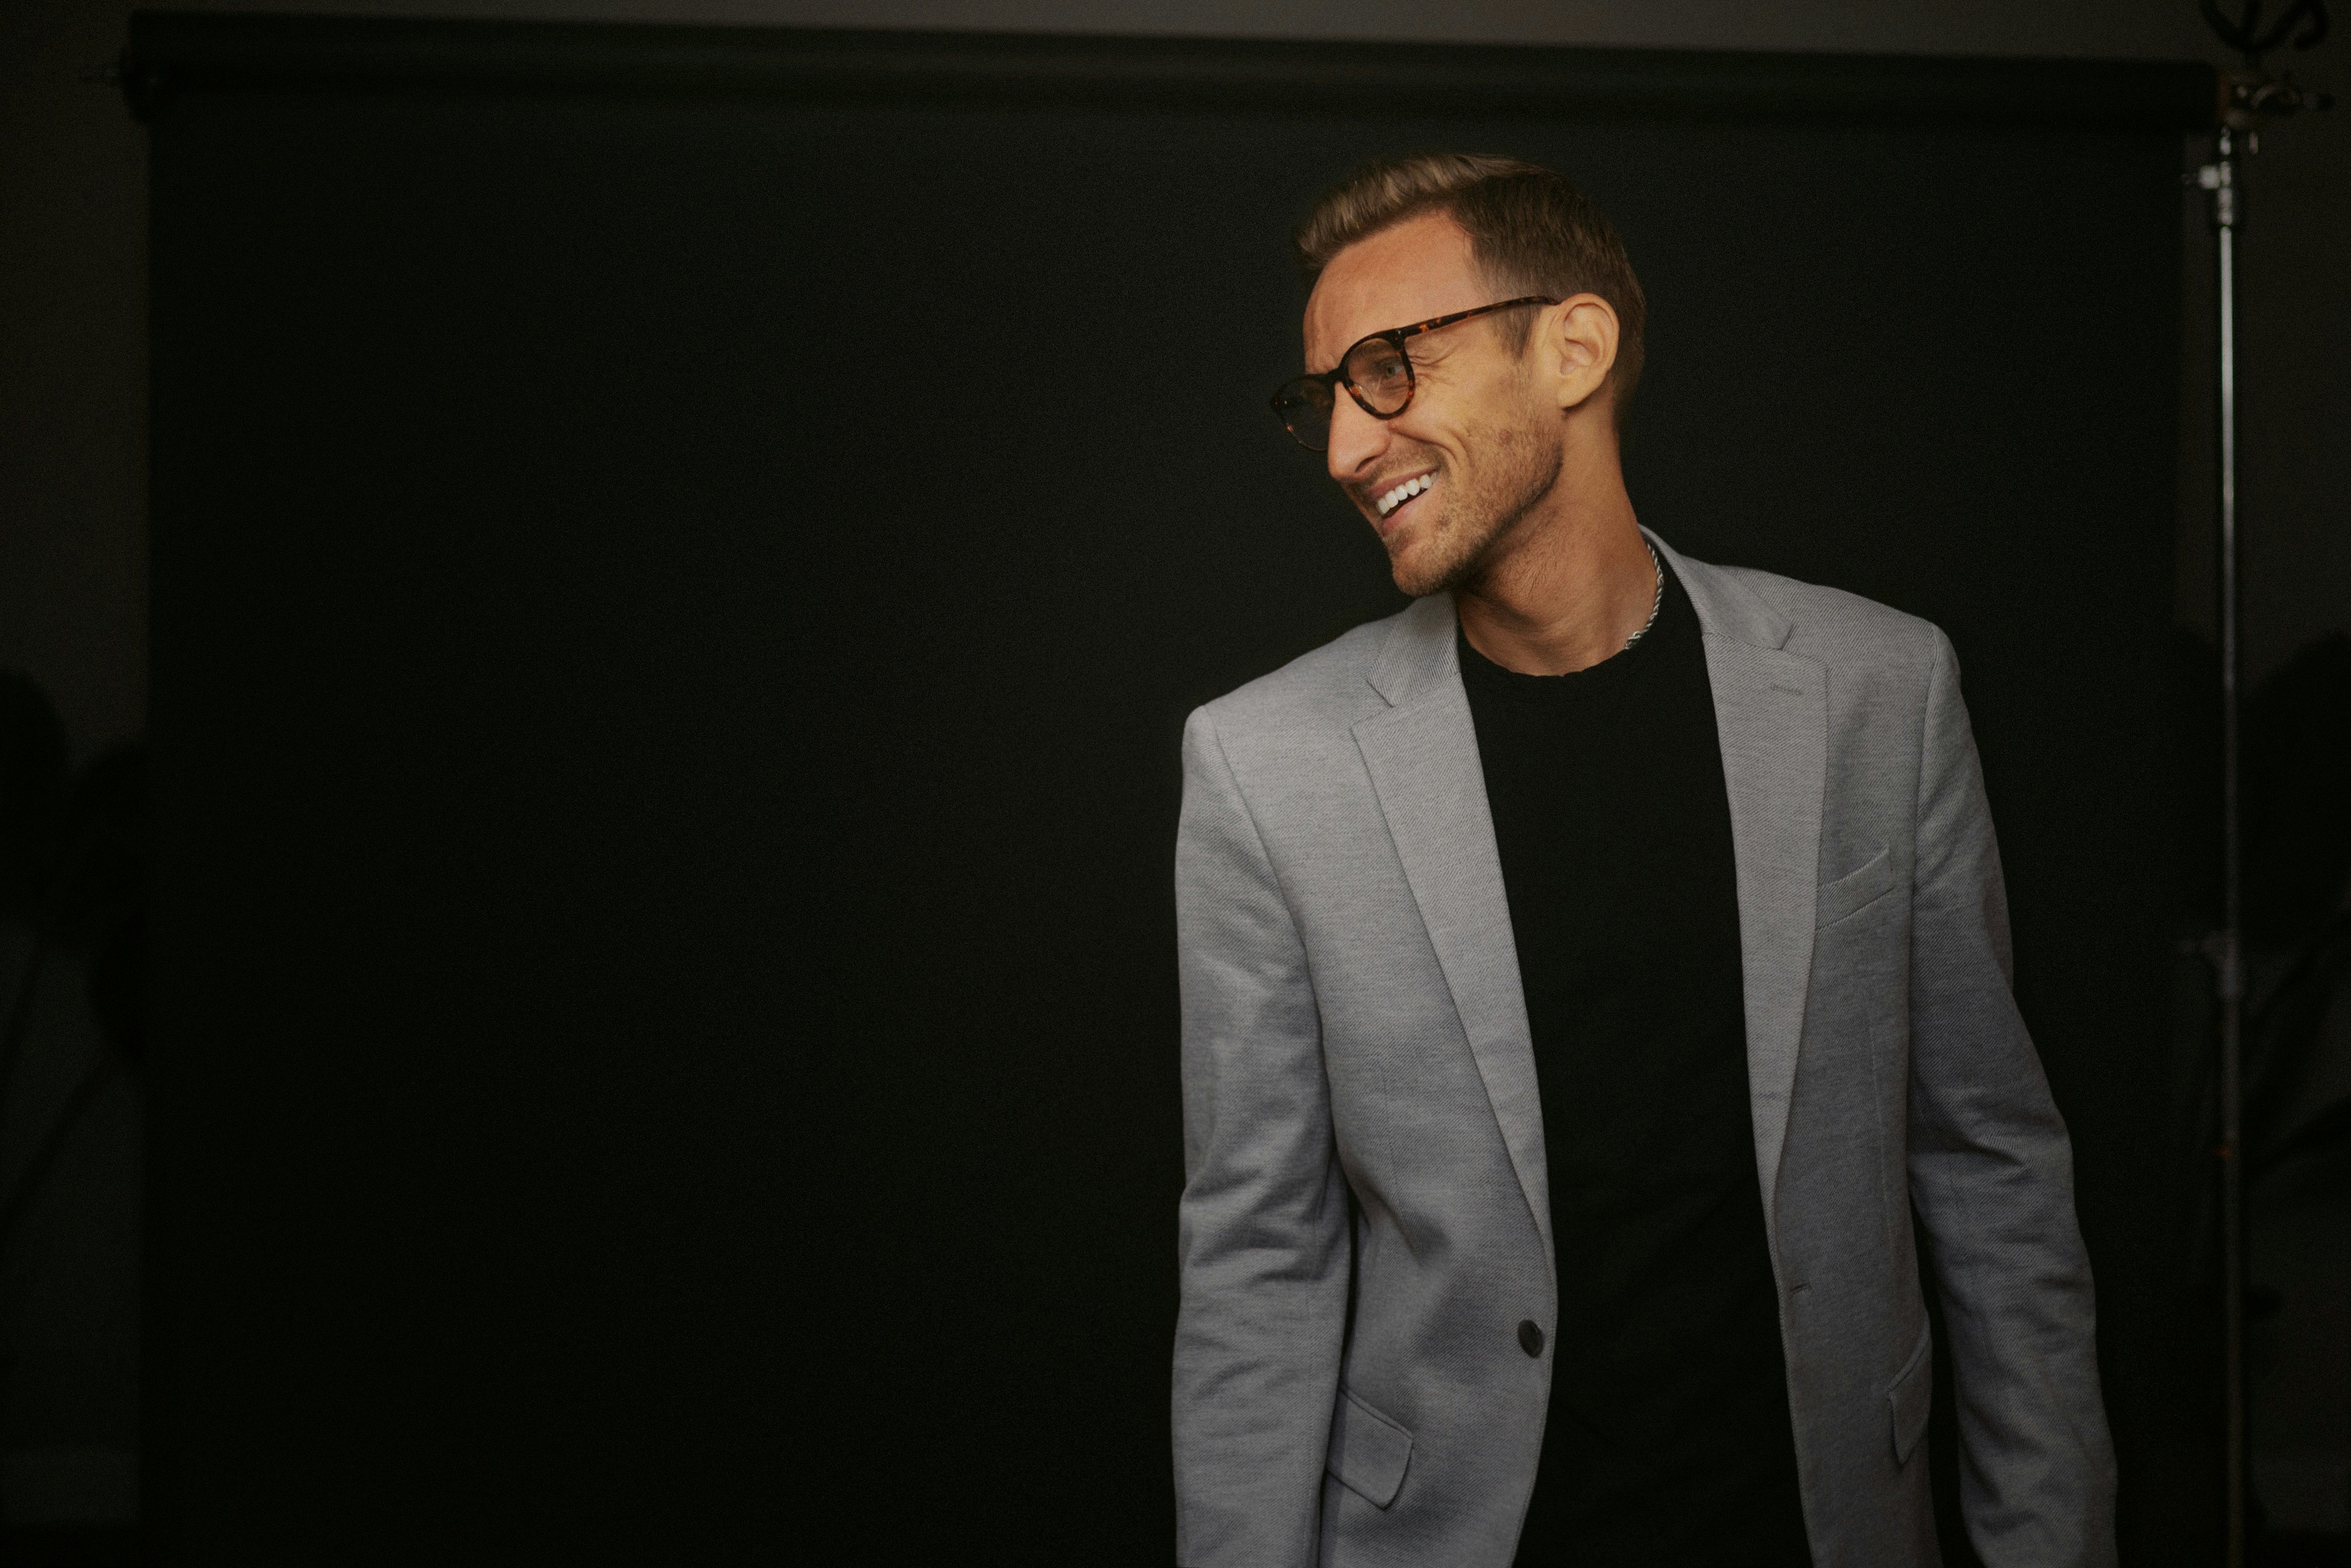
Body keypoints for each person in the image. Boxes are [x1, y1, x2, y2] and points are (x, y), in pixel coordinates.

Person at [1169, 154, 2115, 1568]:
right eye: (1325, 400)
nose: (1347, 447)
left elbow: (1990, 1169)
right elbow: (1260, 1255)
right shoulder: (1266, 765)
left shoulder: (1879, 690)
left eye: (1387, 371)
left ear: (1574, 348)